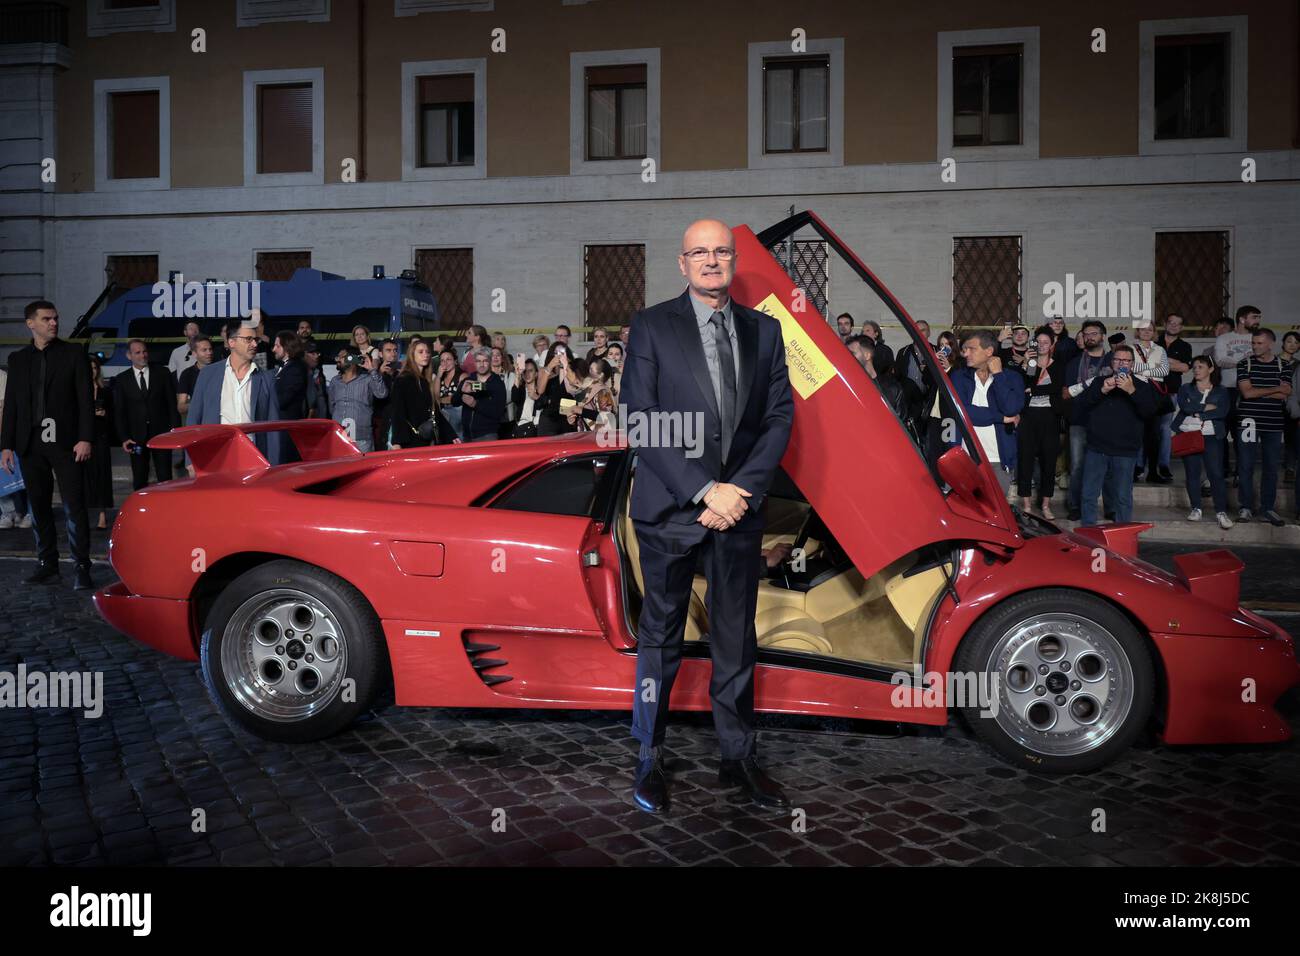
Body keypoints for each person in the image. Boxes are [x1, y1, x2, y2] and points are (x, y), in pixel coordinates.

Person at [620, 218, 794, 814]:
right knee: (660, 639)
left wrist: (737, 491)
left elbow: (778, 420)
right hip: (670, 509)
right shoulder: (650, 326)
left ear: (734, 259)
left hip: (739, 510)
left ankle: (737, 756)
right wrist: (703, 491)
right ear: (682, 262)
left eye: (721, 251)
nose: (712, 260)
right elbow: (640, 418)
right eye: (700, 252)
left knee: (734, 637)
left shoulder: (766, 331)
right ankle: (648, 754)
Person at [0, 300, 95, 589]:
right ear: (31, 323)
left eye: (55, 318)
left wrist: (85, 437)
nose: (53, 323)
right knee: (38, 506)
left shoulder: (73, 353)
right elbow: (13, 405)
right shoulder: (18, 359)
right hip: (29, 444)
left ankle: (81, 567)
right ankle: (47, 565)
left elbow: (84, 400)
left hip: (66, 443)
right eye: (46, 319)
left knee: (74, 507)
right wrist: (6, 445)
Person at [1078, 345, 1158, 526]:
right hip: (1097, 448)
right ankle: (1088, 535)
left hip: (1125, 450)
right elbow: (1082, 406)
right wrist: (1102, 391)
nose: (1121, 363)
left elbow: (1150, 412)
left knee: (1122, 497)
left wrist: (1132, 391)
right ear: (1112, 362)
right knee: (1089, 494)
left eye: (1126, 360)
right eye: (1117, 360)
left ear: (1132, 364)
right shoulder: (1099, 382)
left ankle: (1122, 535)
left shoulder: (1142, 385)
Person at [186, 321, 282, 466]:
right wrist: (190, 460)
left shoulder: (266, 379)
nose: (255, 344)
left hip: (254, 458)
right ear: (231, 342)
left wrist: (274, 464)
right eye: (248, 339)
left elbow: (273, 427)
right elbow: (193, 418)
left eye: (256, 340)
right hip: (215, 456)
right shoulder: (208, 374)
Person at [949, 331, 1024, 496]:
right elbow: (962, 411)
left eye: (971, 349)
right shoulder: (959, 377)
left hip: (999, 458)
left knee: (997, 513)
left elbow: (1011, 408)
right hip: (967, 459)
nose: (965, 353)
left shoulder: (1012, 378)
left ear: (989, 351)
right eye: (964, 349)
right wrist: (1000, 417)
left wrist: (998, 375)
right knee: (969, 514)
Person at [1235, 329, 1293, 526]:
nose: (1255, 346)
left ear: (1270, 344)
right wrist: (1275, 388)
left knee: (1271, 467)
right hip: (1248, 422)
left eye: (1259, 343)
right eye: (1253, 343)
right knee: (1245, 465)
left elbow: (1286, 394)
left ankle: (1267, 508)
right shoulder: (1245, 363)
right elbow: (1247, 394)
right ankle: (1245, 507)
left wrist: (1258, 391)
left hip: (1273, 423)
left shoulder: (1284, 365)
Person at [1173, 356, 1232, 529]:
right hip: (1190, 434)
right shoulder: (1186, 388)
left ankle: (1221, 512)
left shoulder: (1221, 390)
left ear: (1211, 369)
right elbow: (1186, 407)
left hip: (1212, 436)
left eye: (1200, 366)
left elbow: (1222, 411)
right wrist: (1207, 407)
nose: (1196, 370)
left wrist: (1199, 413)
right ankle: (1196, 508)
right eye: (1194, 367)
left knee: (1216, 474)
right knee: (1192, 473)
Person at [1061, 320, 1110, 520]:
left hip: (1107, 420)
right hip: (1080, 420)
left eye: (1094, 333)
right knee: (1078, 465)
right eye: (1086, 334)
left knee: (1108, 465)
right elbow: (1066, 393)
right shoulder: (1074, 363)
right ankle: (1075, 505)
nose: (1090, 337)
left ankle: (1111, 506)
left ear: (1103, 336)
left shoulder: (1113, 361)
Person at [115, 338, 179, 490]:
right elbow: (120, 412)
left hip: (161, 436)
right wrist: (124, 437)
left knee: (165, 476)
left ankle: (167, 509)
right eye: (137, 352)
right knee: (139, 476)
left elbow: (171, 404)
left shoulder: (162, 373)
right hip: (136, 439)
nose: (142, 355)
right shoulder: (122, 379)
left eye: (144, 351)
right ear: (129, 356)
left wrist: (175, 432)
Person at [1016, 326, 1065, 519]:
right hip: (1028, 417)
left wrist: (1035, 391)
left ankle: (1046, 504)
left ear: (1053, 344)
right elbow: (1026, 384)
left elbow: (1055, 388)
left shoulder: (1058, 365)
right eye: (1039, 342)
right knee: (1025, 459)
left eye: (1046, 342)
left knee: (1049, 462)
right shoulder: (1031, 363)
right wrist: (1029, 363)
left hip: (1049, 417)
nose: (1042, 345)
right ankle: (1026, 504)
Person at [388, 339, 454, 448]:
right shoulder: (402, 380)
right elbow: (397, 412)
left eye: (427, 352)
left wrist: (451, 435)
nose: (426, 355)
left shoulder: (425, 381)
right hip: (409, 441)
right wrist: (397, 442)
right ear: (412, 355)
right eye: (421, 352)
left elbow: (435, 412)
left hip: (426, 439)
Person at [1131, 321, 1171, 484]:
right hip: (1137, 391)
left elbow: (1165, 370)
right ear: (1138, 331)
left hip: (1155, 395)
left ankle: (1153, 472)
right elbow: (1130, 367)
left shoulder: (1160, 349)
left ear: (1154, 332)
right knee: (1135, 433)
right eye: (1143, 329)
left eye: (1150, 329)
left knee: (1153, 435)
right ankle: (1133, 470)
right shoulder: (1131, 349)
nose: (1146, 332)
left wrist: (1143, 369)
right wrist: (1152, 367)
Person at [328, 346, 389, 452]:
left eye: (341, 357)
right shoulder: (335, 381)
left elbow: (382, 394)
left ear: (351, 359)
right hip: (338, 437)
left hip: (361, 439)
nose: (337, 359)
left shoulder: (367, 379)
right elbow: (332, 406)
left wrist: (371, 370)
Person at [1158, 313, 1193, 478]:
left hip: (1170, 392)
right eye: (1170, 322)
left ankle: (1164, 465)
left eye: (1177, 324)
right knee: (1145, 428)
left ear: (1181, 327)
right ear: (1165, 324)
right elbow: (1145, 364)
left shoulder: (1185, 346)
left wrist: (1161, 362)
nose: (1173, 326)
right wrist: (1173, 363)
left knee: (1165, 428)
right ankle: (1139, 466)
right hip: (1149, 392)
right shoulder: (1153, 342)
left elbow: (1185, 368)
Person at [84, 355, 116, 530]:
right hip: (84, 438)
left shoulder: (105, 391)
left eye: (95, 368)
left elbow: (113, 414)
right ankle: (84, 512)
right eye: (89, 368)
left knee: (102, 476)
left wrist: (104, 415)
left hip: (101, 437)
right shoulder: (79, 391)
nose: (92, 371)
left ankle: (102, 515)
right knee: (86, 476)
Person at [0, 366, 31, 530]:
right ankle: (9, 512)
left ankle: (23, 511)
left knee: (15, 474)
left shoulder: (2, 376)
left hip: (4, 433)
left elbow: (5, 408)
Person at [457, 348, 507, 442]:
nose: (481, 364)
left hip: (487, 435)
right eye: (478, 361)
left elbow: (498, 412)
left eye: (485, 361)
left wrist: (475, 404)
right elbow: (454, 401)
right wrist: (461, 392)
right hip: (467, 436)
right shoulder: (468, 379)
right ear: (474, 363)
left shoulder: (497, 382)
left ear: (490, 362)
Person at [534, 343, 576, 436]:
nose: (559, 355)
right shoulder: (544, 371)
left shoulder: (572, 370)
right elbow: (540, 390)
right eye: (556, 353)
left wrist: (566, 366)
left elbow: (574, 386)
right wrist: (550, 367)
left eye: (562, 352)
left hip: (567, 414)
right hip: (549, 416)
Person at [1279, 330, 1300, 482]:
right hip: (1272, 403)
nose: (1292, 345)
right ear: (1283, 343)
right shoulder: (1272, 360)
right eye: (1289, 341)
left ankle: (1290, 468)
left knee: (1291, 438)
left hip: (1291, 405)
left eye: (1296, 342)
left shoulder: (1298, 365)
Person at [371, 338, 400, 448]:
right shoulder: (373, 374)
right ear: (380, 354)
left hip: (397, 420)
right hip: (380, 420)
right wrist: (379, 374)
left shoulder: (401, 373)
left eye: (395, 350)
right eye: (388, 350)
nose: (393, 353)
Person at [177, 336, 214, 421]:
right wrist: (202, 404)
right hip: (199, 422)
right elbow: (181, 407)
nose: (209, 353)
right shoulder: (187, 374)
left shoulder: (221, 370)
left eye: (210, 349)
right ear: (194, 353)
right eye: (204, 350)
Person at [301, 338, 330, 419]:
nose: (317, 356)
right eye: (313, 354)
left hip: (321, 421)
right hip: (306, 422)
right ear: (304, 354)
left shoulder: (319, 372)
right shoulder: (299, 374)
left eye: (317, 353)